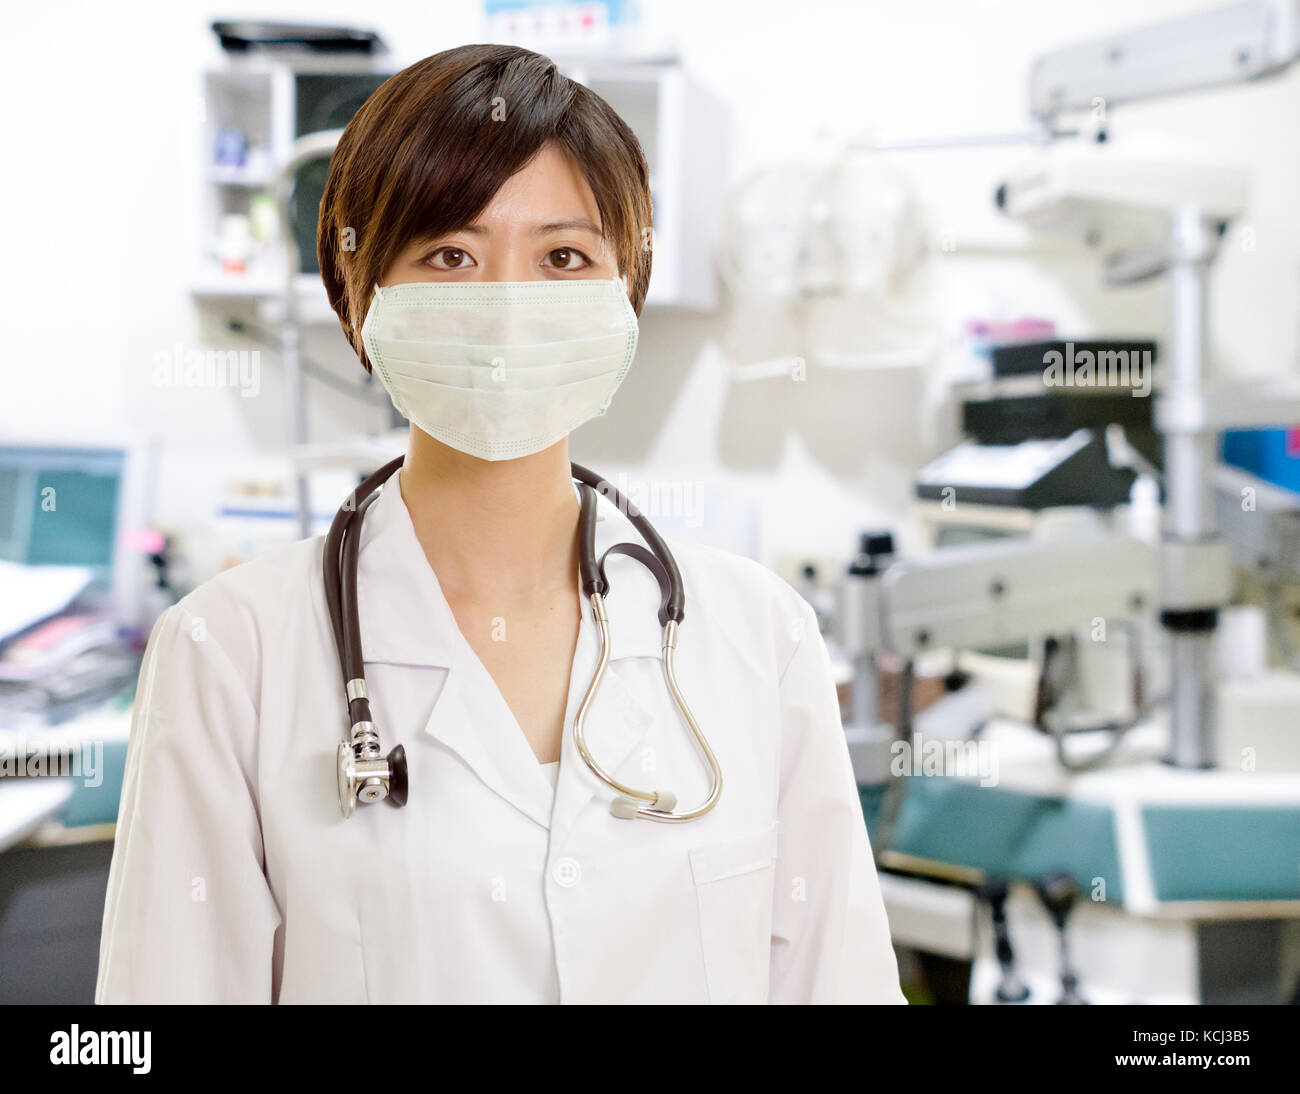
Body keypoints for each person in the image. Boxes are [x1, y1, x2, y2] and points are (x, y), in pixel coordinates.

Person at [95, 43, 905, 1004]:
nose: (509, 306)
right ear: (358, 297)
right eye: (450, 254)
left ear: (625, 291)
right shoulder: (229, 653)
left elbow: (834, 983)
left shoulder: (761, 636)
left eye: (563, 257)